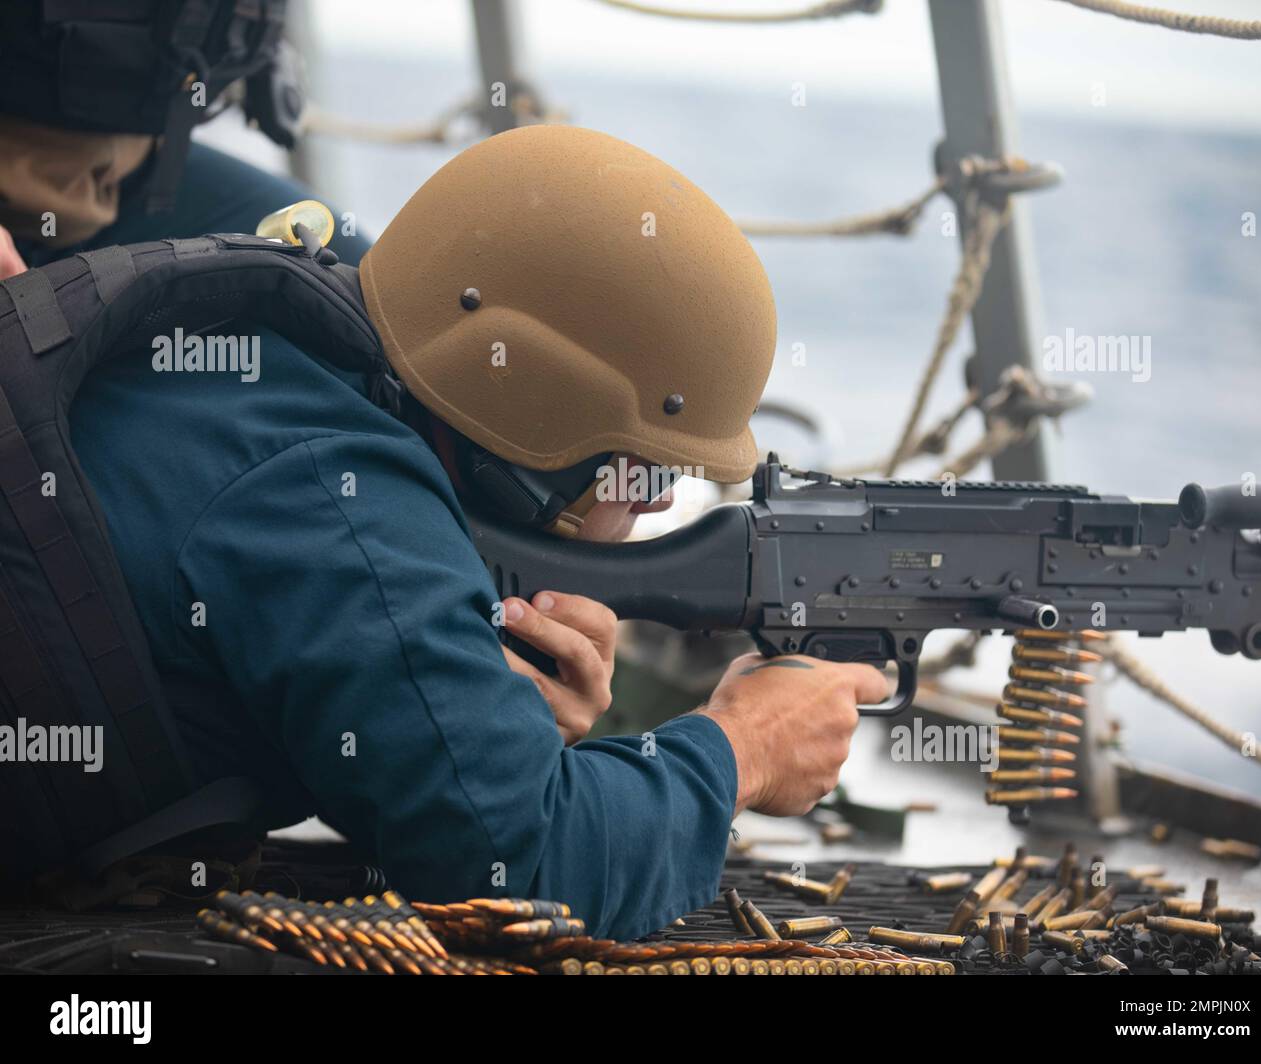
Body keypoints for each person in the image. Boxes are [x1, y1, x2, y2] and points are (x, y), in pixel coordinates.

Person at [46, 123, 887, 940]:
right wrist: (746, 747)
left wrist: (479, 703)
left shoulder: (282, 360)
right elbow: (519, 873)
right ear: (540, 430)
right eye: (649, 472)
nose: (659, 506)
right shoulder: (342, 507)